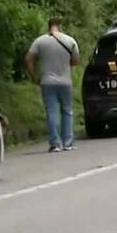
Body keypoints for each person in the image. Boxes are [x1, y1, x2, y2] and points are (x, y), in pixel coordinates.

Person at [25, 18, 81, 152]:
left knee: (52, 112)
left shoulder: (40, 41)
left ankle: (55, 144)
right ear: (60, 26)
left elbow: (28, 59)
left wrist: (34, 76)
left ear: (48, 26)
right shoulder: (70, 40)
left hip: (47, 82)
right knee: (67, 111)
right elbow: (76, 61)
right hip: (65, 81)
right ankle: (67, 143)